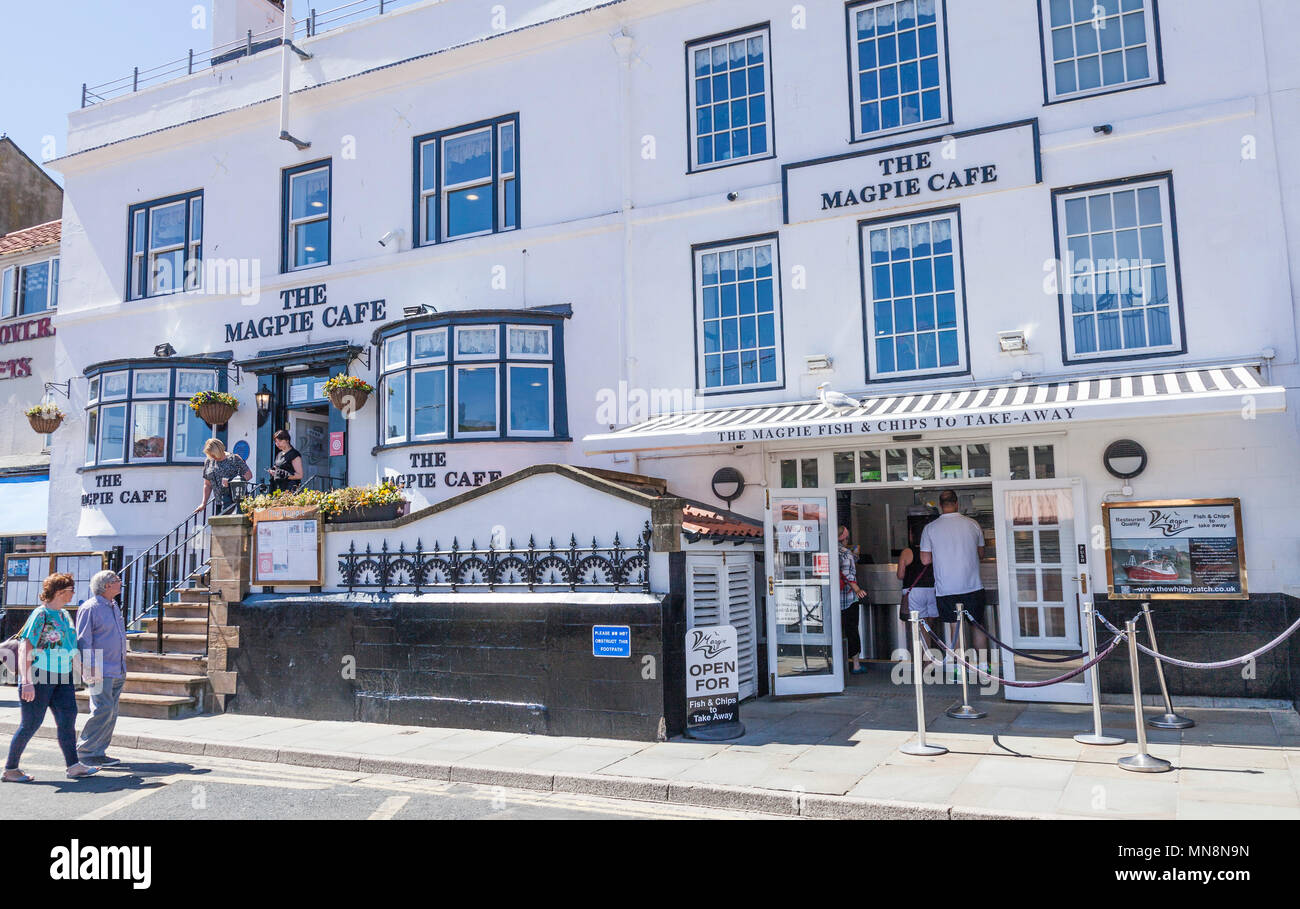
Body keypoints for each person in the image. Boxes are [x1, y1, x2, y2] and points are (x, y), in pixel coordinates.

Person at [3, 574, 100, 782]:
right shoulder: (41, 614)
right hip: (39, 675)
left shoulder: (64, 615)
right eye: (71, 590)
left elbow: (71, 648)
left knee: (68, 720)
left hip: (62, 676)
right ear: (59, 592)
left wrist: (82, 671)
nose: (73, 593)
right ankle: (10, 769)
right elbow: (24, 648)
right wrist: (27, 681)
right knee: (30, 723)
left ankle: (73, 766)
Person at [919, 489, 990, 669]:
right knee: (977, 626)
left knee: (954, 628)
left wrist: (942, 554)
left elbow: (925, 560)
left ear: (941, 506)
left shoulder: (930, 528)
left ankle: (959, 668)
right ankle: (983, 665)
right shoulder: (973, 524)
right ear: (957, 503)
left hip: (946, 588)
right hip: (973, 585)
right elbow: (981, 554)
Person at [75, 570, 127, 767]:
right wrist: (88, 668)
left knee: (111, 711)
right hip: (100, 669)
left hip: (118, 668)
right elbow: (83, 640)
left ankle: (99, 751)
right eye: (116, 580)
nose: (120, 582)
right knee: (101, 710)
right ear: (106, 586)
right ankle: (86, 751)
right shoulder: (90, 608)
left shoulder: (114, 606)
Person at [896, 523, 937, 641]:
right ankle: (929, 656)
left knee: (920, 626)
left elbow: (900, 575)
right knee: (929, 627)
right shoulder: (933, 551)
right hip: (932, 591)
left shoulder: (907, 552)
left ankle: (925, 658)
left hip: (915, 593)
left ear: (911, 535)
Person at [838, 525, 868, 675]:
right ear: (843, 539)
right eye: (847, 538)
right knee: (852, 630)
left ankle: (835, 666)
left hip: (832, 599)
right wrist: (857, 590)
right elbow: (849, 575)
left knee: (836, 631)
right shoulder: (846, 553)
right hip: (848, 598)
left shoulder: (827, 550)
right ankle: (856, 665)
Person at [196, 438, 252, 514]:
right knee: (219, 524)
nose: (212, 456)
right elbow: (207, 484)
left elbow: (248, 475)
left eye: (213, 454)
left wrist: (231, 482)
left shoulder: (234, 459)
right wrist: (204, 503)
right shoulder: (208, 461)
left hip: (235, 501)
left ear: (219, 450)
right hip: (219, 502)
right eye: (210, 454)